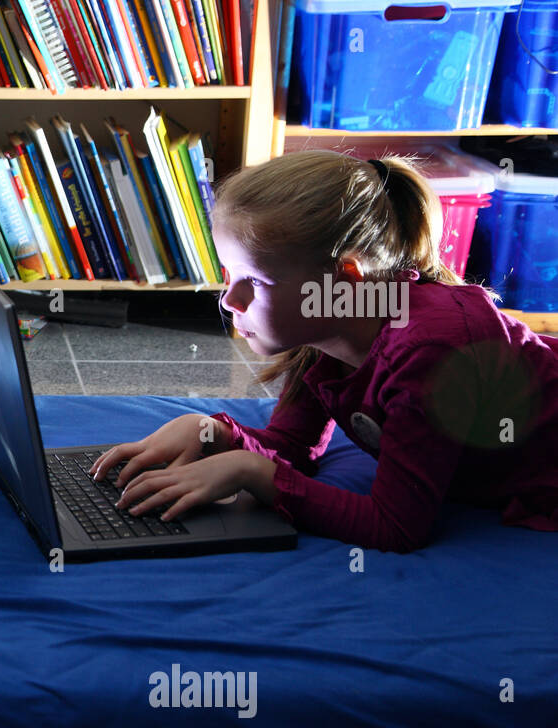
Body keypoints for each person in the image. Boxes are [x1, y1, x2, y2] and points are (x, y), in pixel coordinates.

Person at [91, 149, 558, 552]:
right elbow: (293, 448)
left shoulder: (430, 352)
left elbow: (395, 528)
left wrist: (256, 474)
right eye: (228, 274)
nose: (228, 300)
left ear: (345, 280)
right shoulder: (330, 326)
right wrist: (215, 432)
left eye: (253, 281)